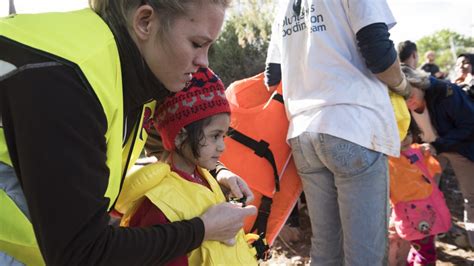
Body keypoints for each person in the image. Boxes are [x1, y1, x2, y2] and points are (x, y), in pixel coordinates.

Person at [0, 1, 257, 265]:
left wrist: (217, 172)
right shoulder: (67, 81)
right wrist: (202, 230)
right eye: (196, 44)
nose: (204, 62)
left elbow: (175, 144)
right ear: (145, 22)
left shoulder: (137, 75)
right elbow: (84, 254)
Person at [265, 0, 411, 264]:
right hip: (352, 125)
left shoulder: (283, 6)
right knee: (364, 253)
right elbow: (379, 55)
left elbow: (271, 76)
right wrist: (404, 87)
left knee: (326, 247)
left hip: (302, 132)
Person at [116, 68, 257, 265]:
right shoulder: (161, 202)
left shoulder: (205, 177)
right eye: (215, 135)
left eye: (223, 136)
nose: (222, 146)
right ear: (181, 135)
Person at [402, 65, 474, 249]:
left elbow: (469, 125)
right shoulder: (399, 104)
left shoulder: (444, 91)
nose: (408, 100)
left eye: (410, 92)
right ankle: (426, 248)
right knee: (422, 197)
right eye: (402, 97)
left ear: (418, 83)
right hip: (429, 150)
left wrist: (437, 146)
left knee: (471, 198)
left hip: (461, 146)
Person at [388, 119, 448, 266]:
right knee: (426, 254)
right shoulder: (389, 161)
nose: (405, 139)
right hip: (416, 217)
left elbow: (431, 170)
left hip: (427, 212)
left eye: (407, 133)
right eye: (399, 135)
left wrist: (424, 152)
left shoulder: (413, 151)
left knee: (419, 250)